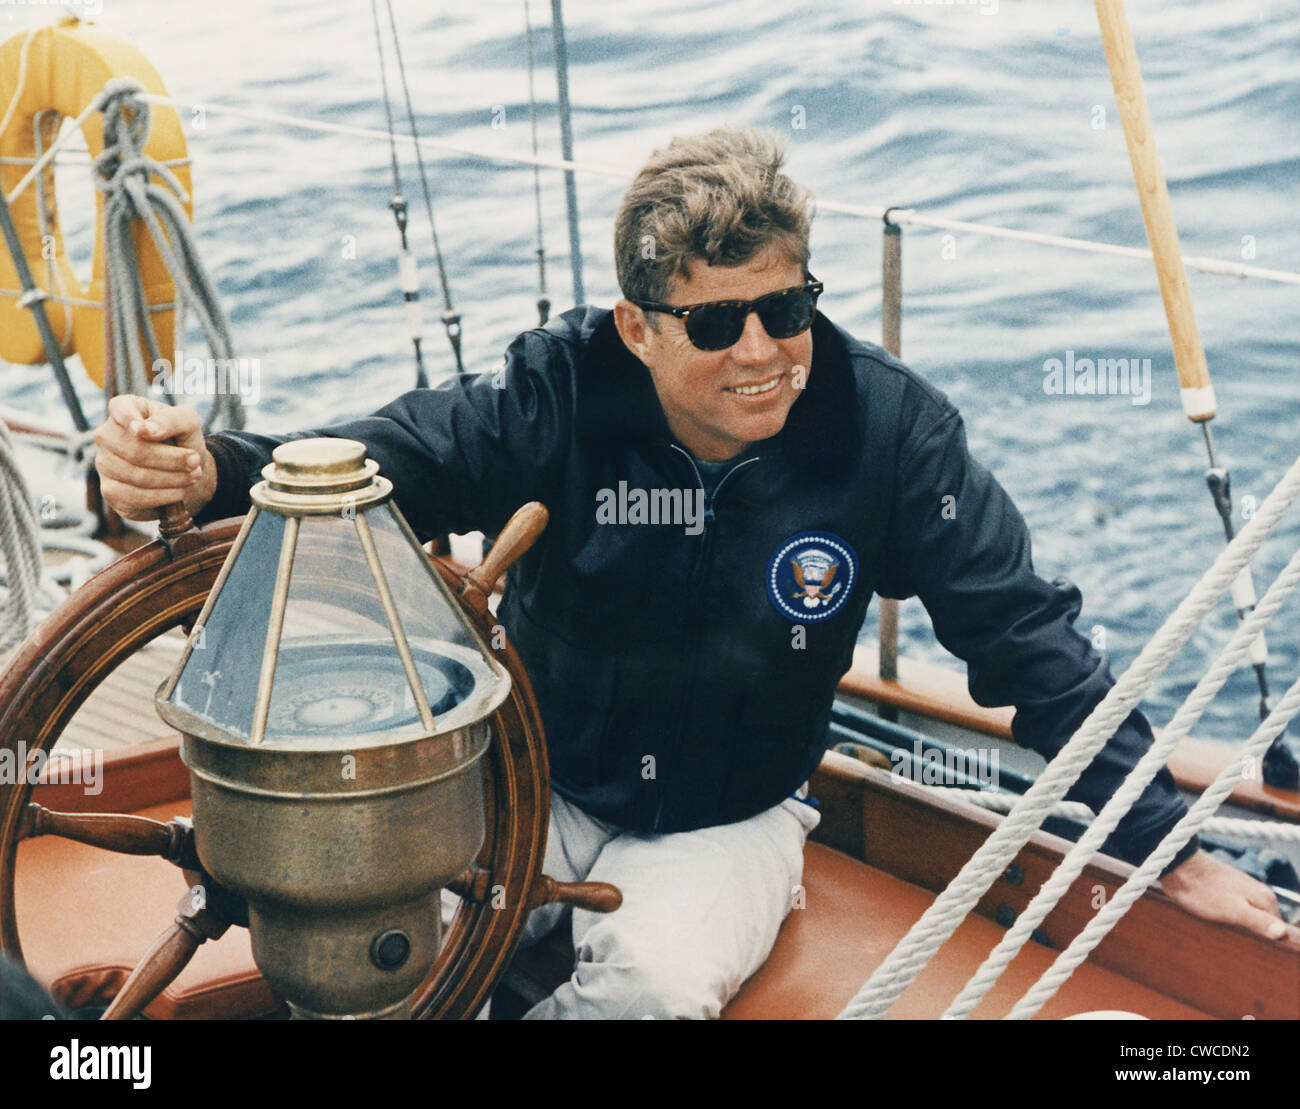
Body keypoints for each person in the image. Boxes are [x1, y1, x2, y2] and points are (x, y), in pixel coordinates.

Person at [94, 128, 1299, 1018]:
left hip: (729, 817)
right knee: (368, 947)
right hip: (530, 788)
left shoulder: (891, 434)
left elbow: (1027, 638)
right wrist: (200, 469)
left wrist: (1166, 847)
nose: (766, 352)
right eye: (718, 324)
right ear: (637, 326)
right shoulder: (557, 390)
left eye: (790, 307)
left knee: (647, 995)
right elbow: (368, 472)